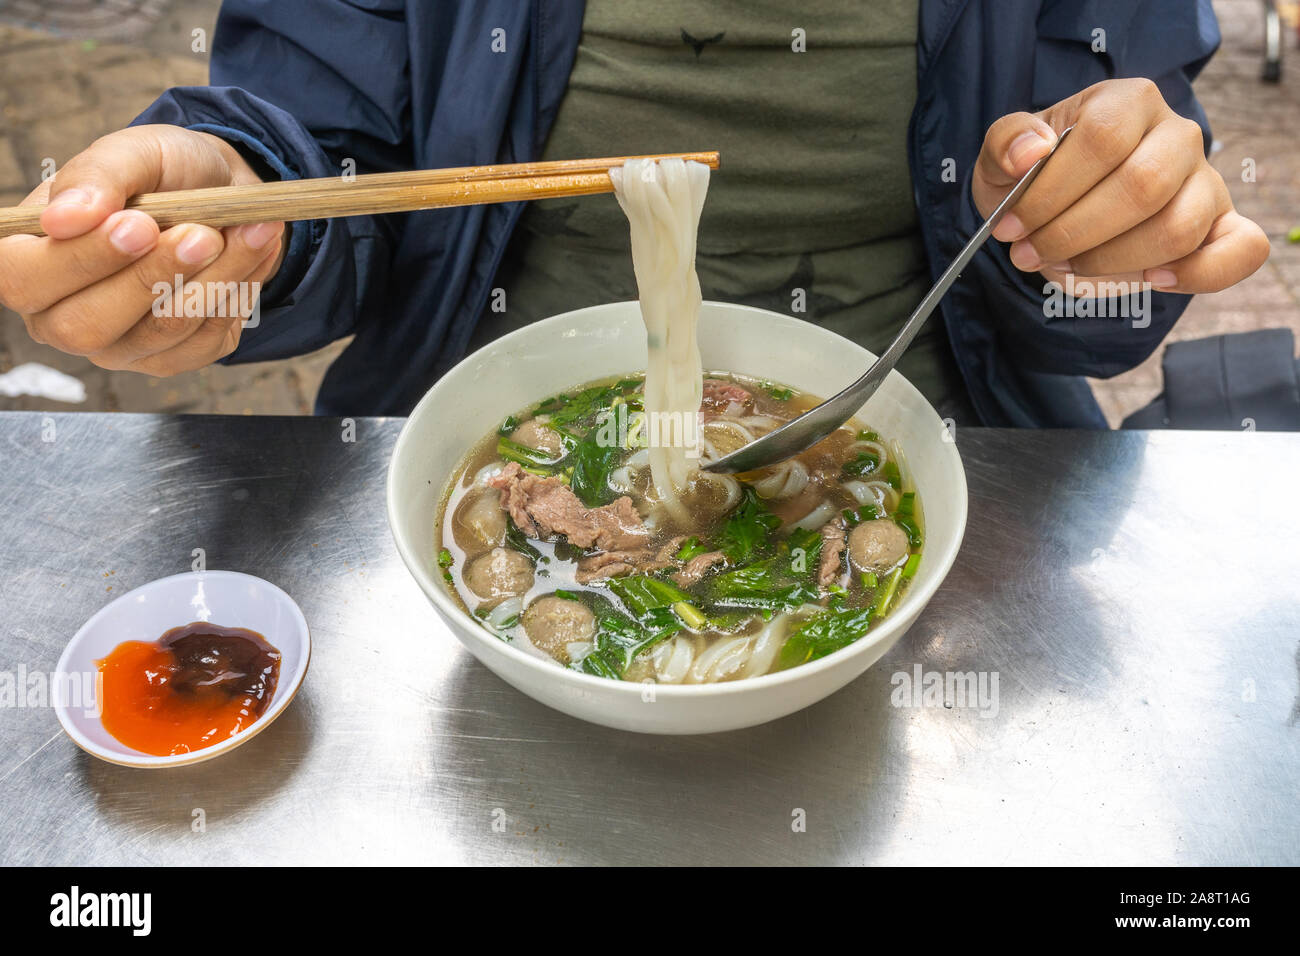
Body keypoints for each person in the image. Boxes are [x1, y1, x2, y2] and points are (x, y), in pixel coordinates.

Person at [0, 0, 1268, 426]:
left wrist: (1084, 226)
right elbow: (316, 152)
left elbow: (1093, 311)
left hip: (950, 429)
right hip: (474, 418)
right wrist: (232, 239)